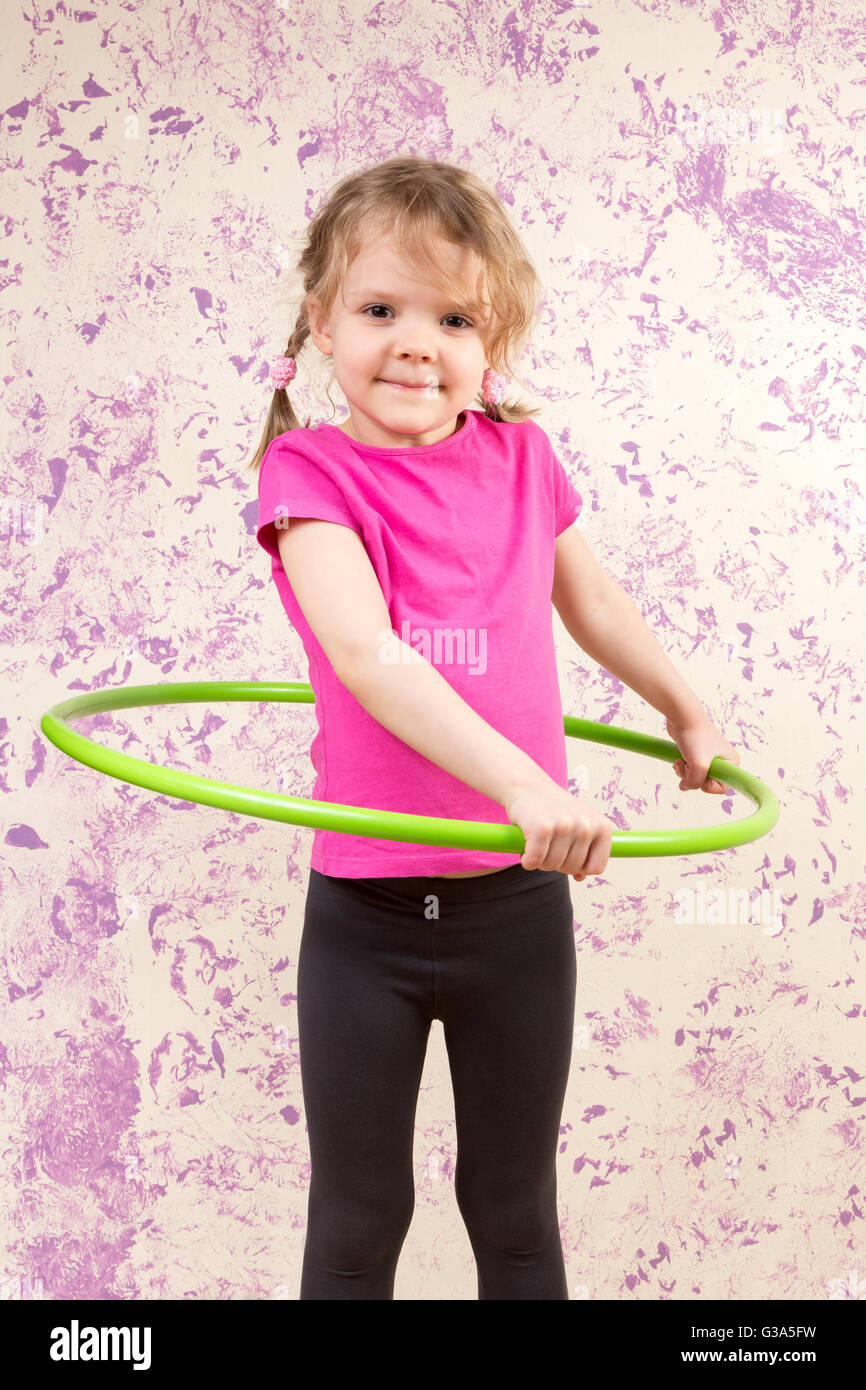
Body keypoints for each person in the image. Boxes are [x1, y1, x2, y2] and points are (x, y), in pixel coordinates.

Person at [249, 156, 740, 1300]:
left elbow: (594, 602)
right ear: (322, 323)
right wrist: (528, 784)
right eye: (379, 309)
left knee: (512, 1210)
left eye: (453, 316)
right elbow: (370, 655)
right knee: (361, 1214)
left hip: (514, 909)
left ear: (493, 345)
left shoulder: (523, 460)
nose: (416, 342)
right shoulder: (305, 472)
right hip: (363, 915)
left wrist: (681, 704)